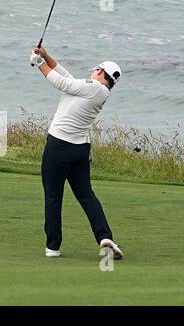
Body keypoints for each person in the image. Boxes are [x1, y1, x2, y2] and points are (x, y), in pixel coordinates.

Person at [30, 45, 124, 260]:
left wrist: (38, 63)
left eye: (95, 70)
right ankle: (104, 237)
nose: (92, 72)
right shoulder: (96, 90)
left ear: (100, 72)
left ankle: (53, 247)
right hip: (79, 150)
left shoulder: (94, 87)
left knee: (53, 196)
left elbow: (62, 82)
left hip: (58, 147)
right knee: (86, 196)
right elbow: (67, 76)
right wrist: (45, 56)